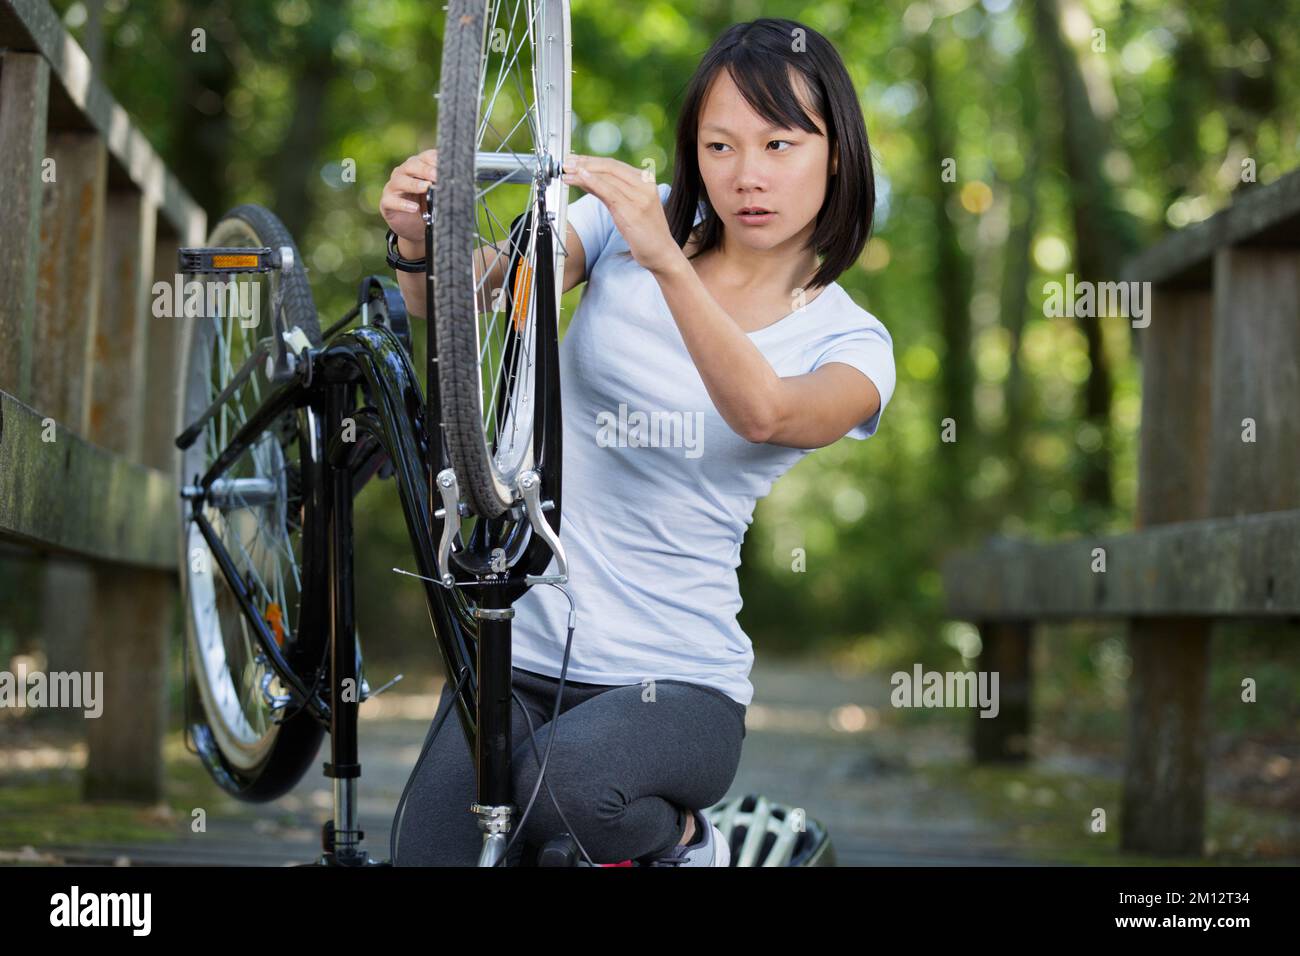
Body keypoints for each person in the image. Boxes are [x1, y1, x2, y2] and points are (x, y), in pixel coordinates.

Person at [381, 16, 895, 867]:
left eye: (779, 144)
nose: (747, 175)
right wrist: (417, 234)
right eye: (720, 146)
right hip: (519, 651)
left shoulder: (851, 343)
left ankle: (693, 843)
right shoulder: (623, 223)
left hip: (677, 683)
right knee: (432, 854)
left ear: (836, 152)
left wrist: (667, 262)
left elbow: (765, 413)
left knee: (566, 795)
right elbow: (483, 297)